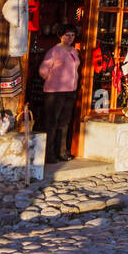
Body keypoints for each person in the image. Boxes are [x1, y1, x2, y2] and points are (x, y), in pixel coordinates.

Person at [39, 25, 81, 163]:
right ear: (61, 36)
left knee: (64, 122)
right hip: (55, 91)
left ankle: (62, 152)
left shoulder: (73, 51)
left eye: (72, 35)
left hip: (70, 90)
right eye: (67, 35)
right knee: (52, 122)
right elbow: (43, 70)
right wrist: (53, 80)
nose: (70, 38)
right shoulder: (54, 51)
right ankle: (49, 154)